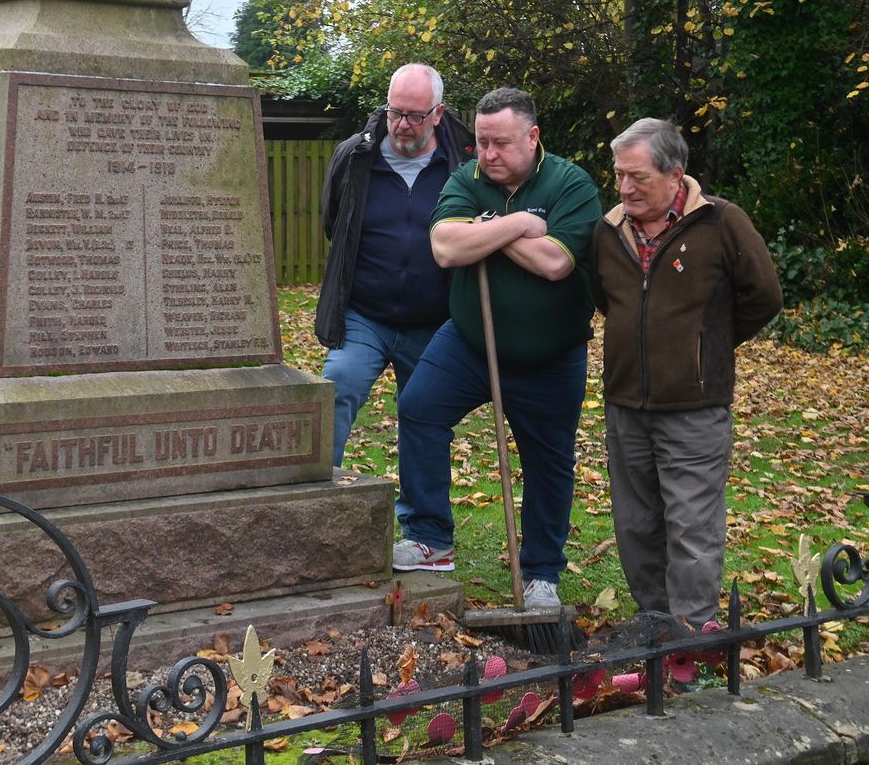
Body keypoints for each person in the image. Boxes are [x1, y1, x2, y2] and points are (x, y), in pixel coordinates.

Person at [392, 88, 600, 607]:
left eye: (500, 144)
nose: (487, 155)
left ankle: (542, 575)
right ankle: (431, 538)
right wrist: (520, 225)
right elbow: (444, 247)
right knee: (418, 408)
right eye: (482, 143)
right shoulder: (467, 180)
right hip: (469, 342)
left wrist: (483, 231)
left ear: (532, 138)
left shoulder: (571, 183)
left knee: (549, 461)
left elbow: (556, 262)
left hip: (551, 355)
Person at [591, 117, 782, 629]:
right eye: (620, 175)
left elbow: (764, 296)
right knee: (635, 525)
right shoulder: (607, 233)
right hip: (626, 405)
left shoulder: (722, 223)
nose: (626, 187)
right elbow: (608, 300)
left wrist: (705, 347)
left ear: (675, 175)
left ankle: (691, 635)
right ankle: (655, 623)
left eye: (639, 177)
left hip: (695, 410)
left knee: (692, 527)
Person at [315, 63, 474, 467]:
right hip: (364, 315)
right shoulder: (355, 156)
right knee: (336, 386)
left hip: (432, 321)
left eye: (415, 116)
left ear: (438, 113)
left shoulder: (463, 161)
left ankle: (424, 528)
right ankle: (314, 498)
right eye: (395, 111)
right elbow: (336, 223)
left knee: (424, 412)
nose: (402, 124)